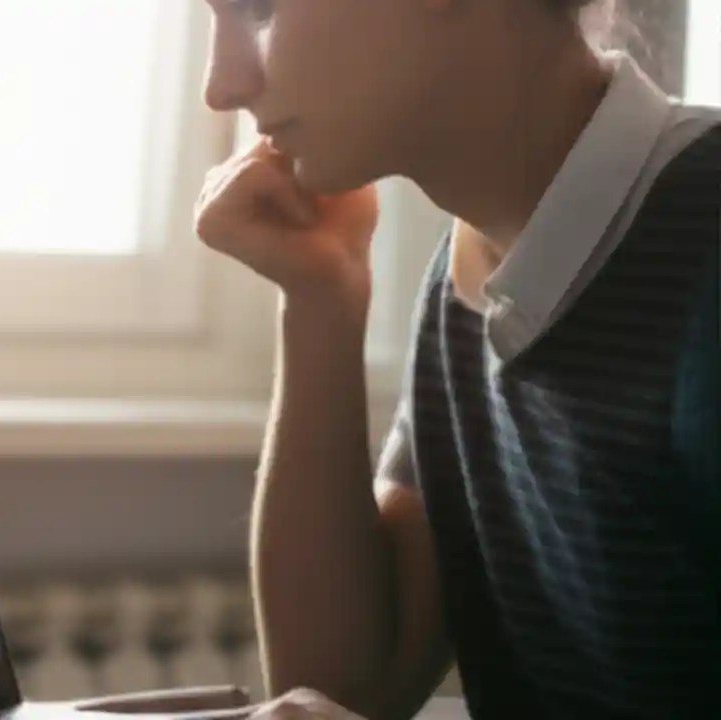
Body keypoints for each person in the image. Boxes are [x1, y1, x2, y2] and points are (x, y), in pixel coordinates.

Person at [193, 0, 720, 718]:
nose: (221, 86)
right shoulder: (471, 280)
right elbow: (344, 687)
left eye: (259, 8)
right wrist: (320, 297)